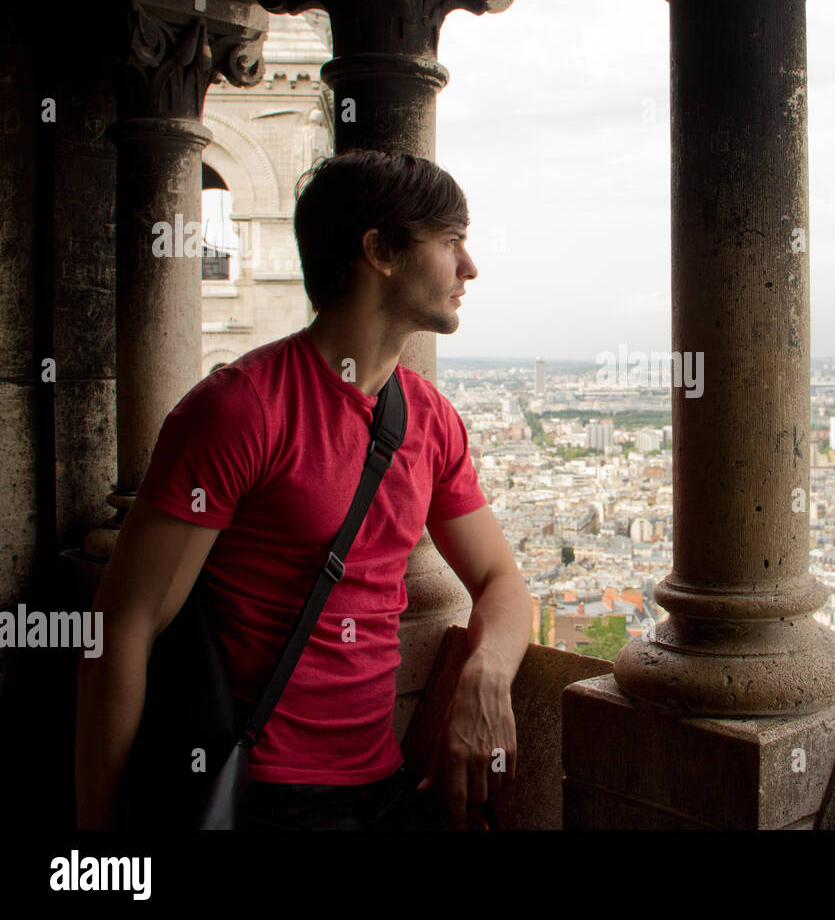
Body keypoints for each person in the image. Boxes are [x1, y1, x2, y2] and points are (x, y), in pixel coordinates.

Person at [75, 150, 533, 830]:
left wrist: (486, 672)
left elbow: (502, 579)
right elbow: (124, 626)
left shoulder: (429, 420)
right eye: (450, 241)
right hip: (256, 791)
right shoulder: (241, 410)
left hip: (383, 783)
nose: (469, 267)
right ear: (379, 250)